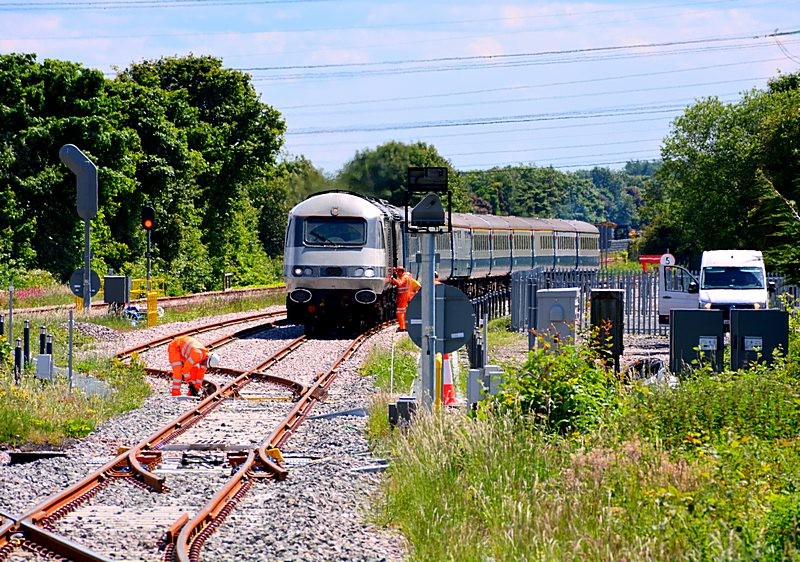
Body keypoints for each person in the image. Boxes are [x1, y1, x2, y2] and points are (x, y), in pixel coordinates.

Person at [388, 266, 420, 332]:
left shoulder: (404, 277)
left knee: (399, 312)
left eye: (397, 272)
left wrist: (392, 279)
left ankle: (402, 327)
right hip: (405, 296)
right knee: (404, 312)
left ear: (401, 272)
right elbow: (400, 279)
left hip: (402, 296)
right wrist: (395, 272)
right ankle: (405, 326)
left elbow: (399, 283)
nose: (397, 273)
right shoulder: (406, 277)